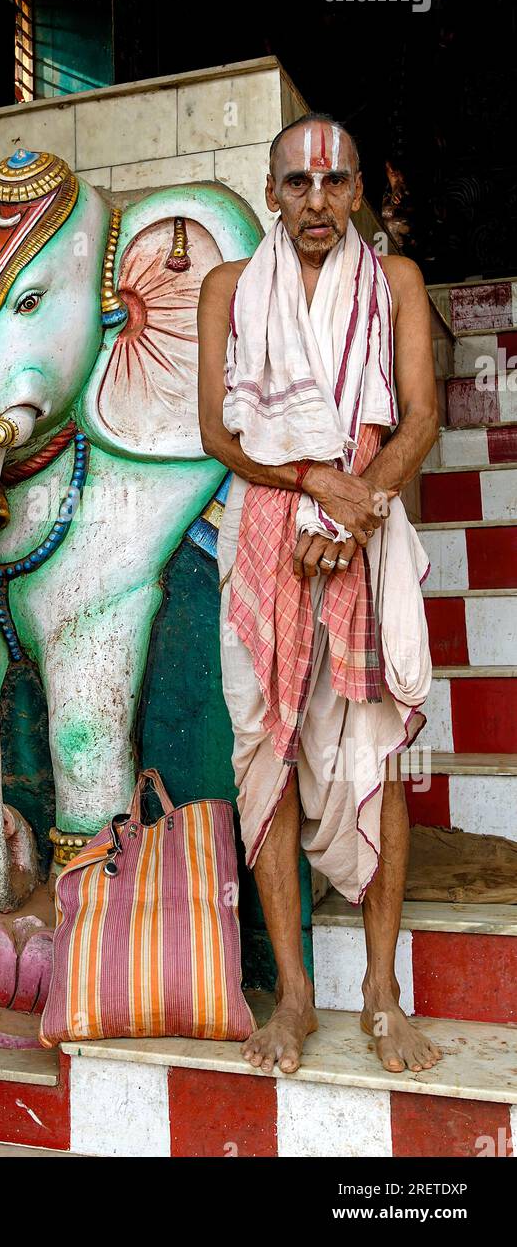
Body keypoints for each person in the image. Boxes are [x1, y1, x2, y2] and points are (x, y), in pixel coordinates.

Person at [196, 114, 443, 1075]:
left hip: (368, 527)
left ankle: (380, 990)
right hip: (264, 532)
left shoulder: (397, 283)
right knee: (267, 751)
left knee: (373, 742)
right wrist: (313, 485)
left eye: (335, 183)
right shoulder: (229, 286)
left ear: (356, 195)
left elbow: (420, 418)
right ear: (270, 193)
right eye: (297, 184)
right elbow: (218, 433)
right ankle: (295, 997)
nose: (317, 202)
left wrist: (353, 510)